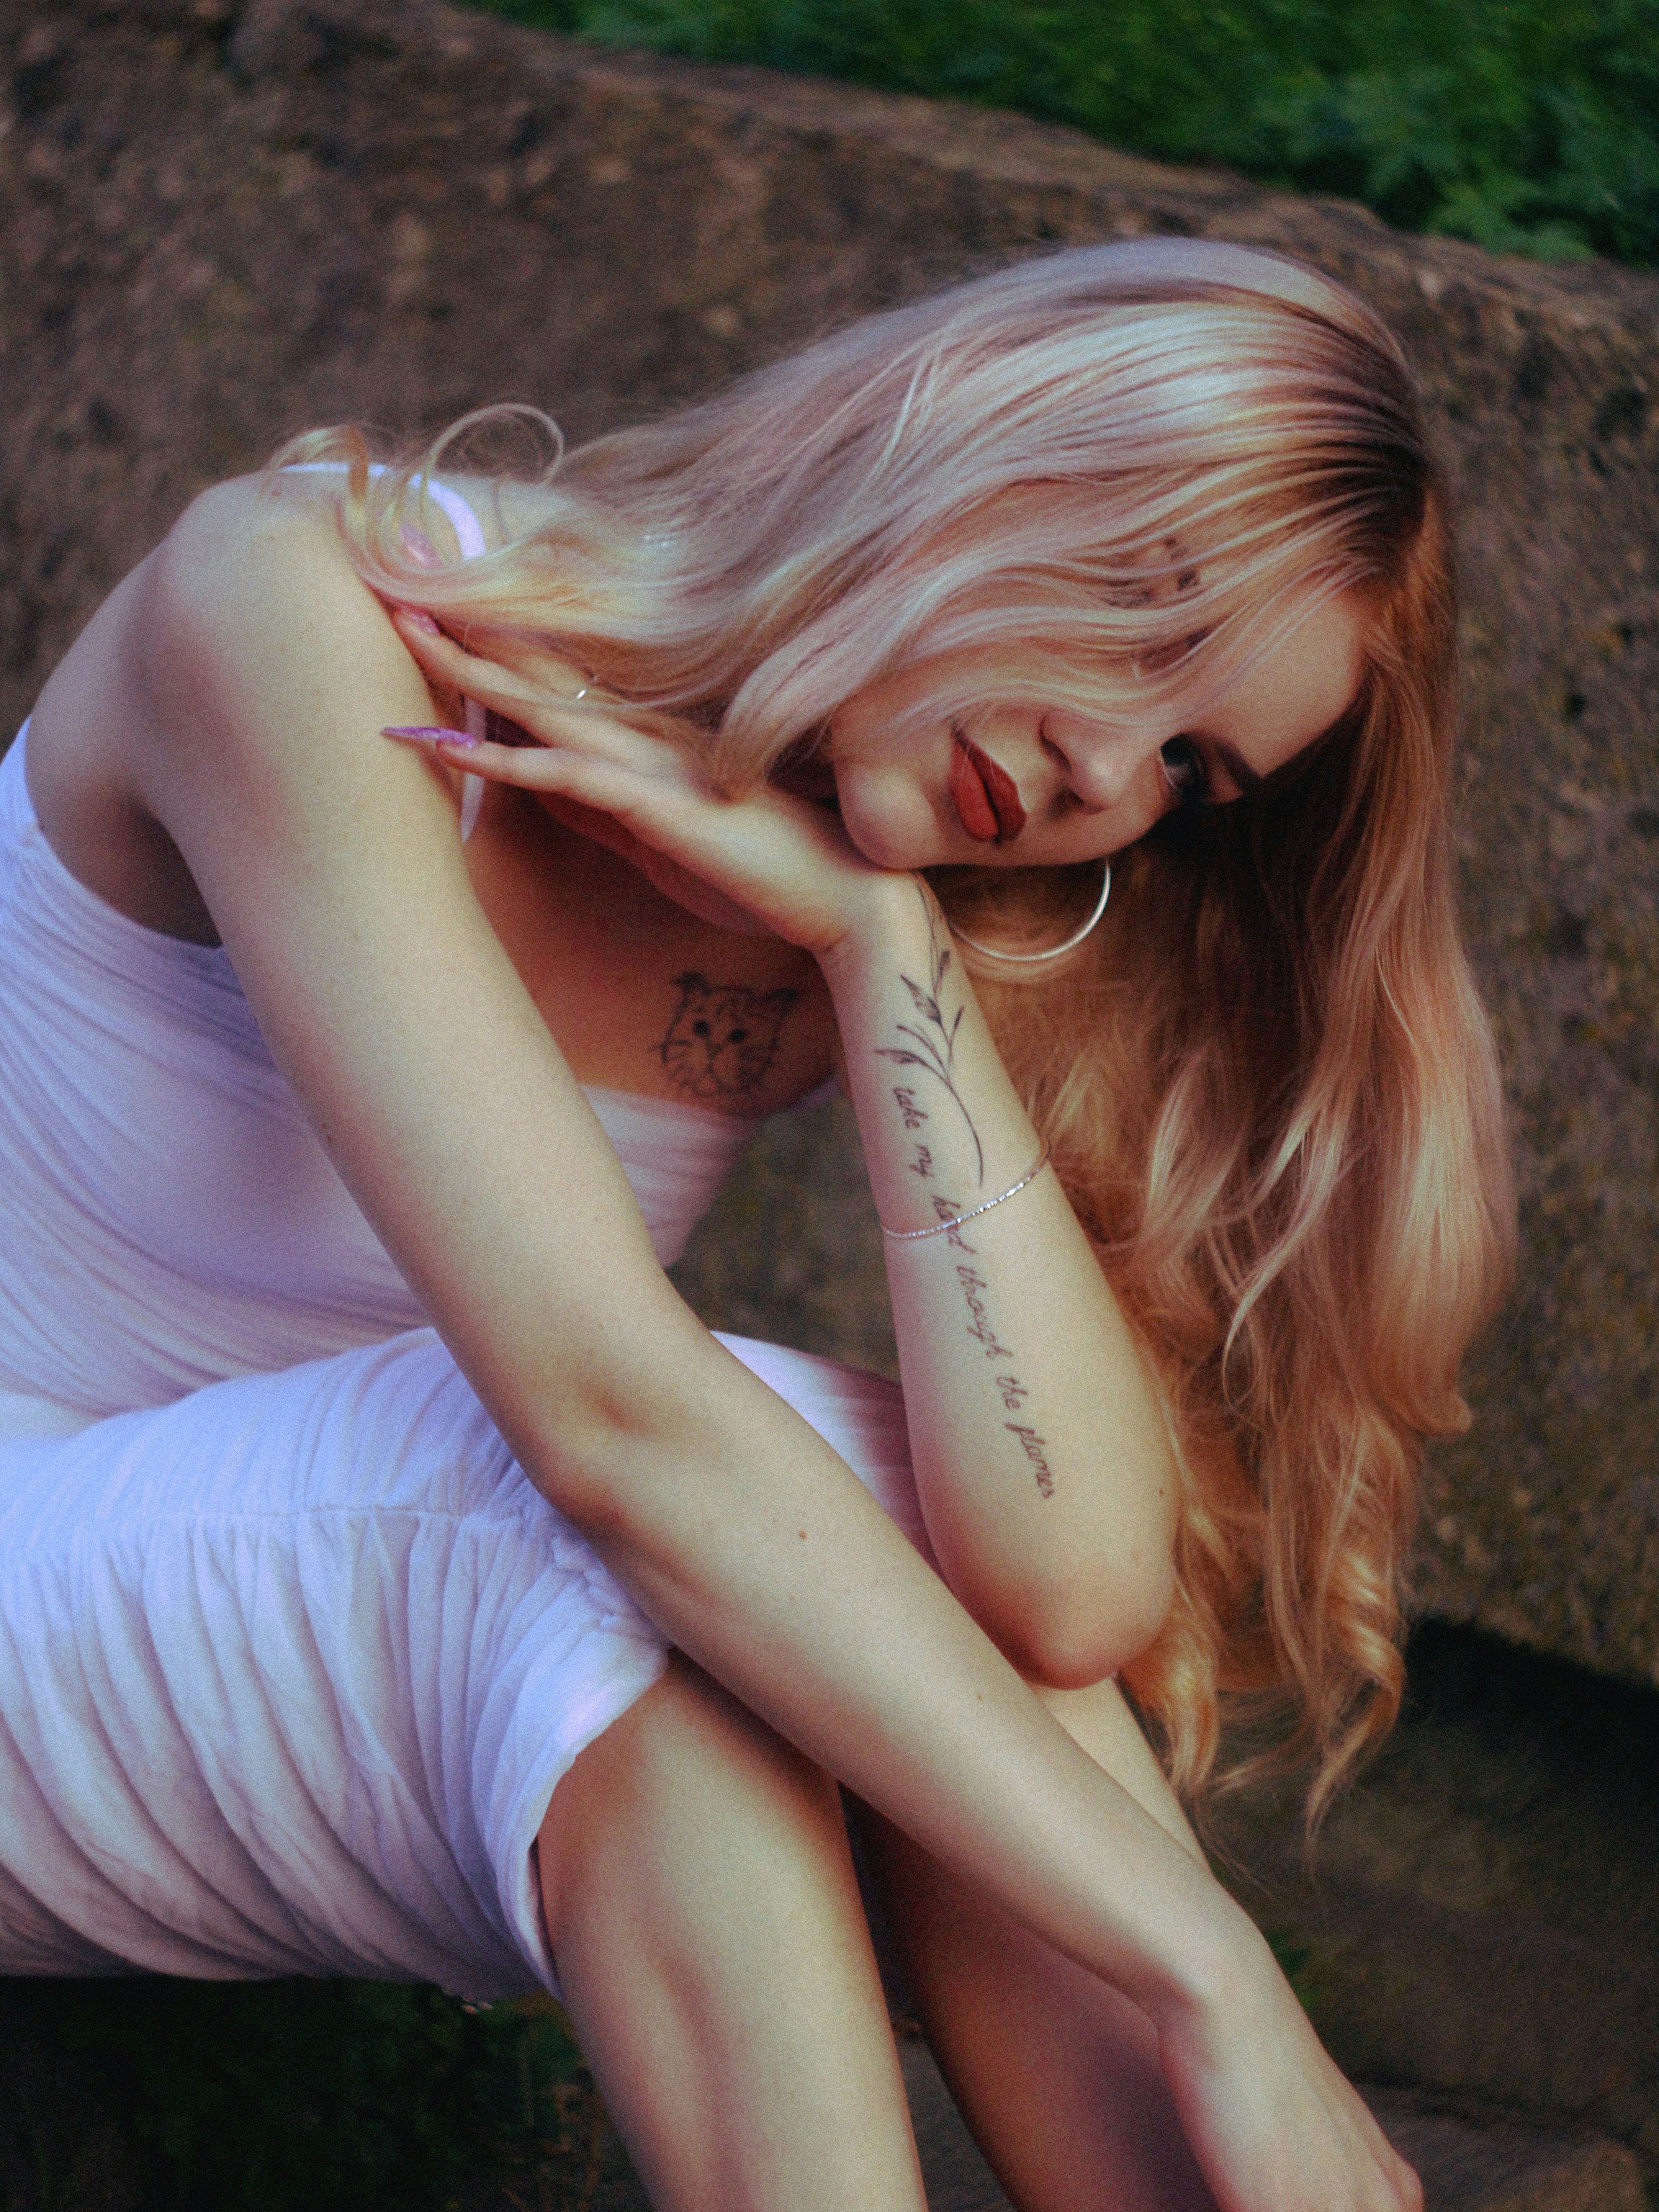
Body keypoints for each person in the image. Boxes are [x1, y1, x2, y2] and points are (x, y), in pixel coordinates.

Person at [0, 235, 1511, 2211]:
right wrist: (1208, 1960)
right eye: (1145, 620)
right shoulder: (304, 611)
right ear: (988, 440)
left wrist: (882, 949)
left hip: (244, 1630)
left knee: (800, 1534)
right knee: (644, 1512)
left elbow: (1057, 1590)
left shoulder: (882, 886)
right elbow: (608, 1432)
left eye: (1191, 768)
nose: (1100, 776)